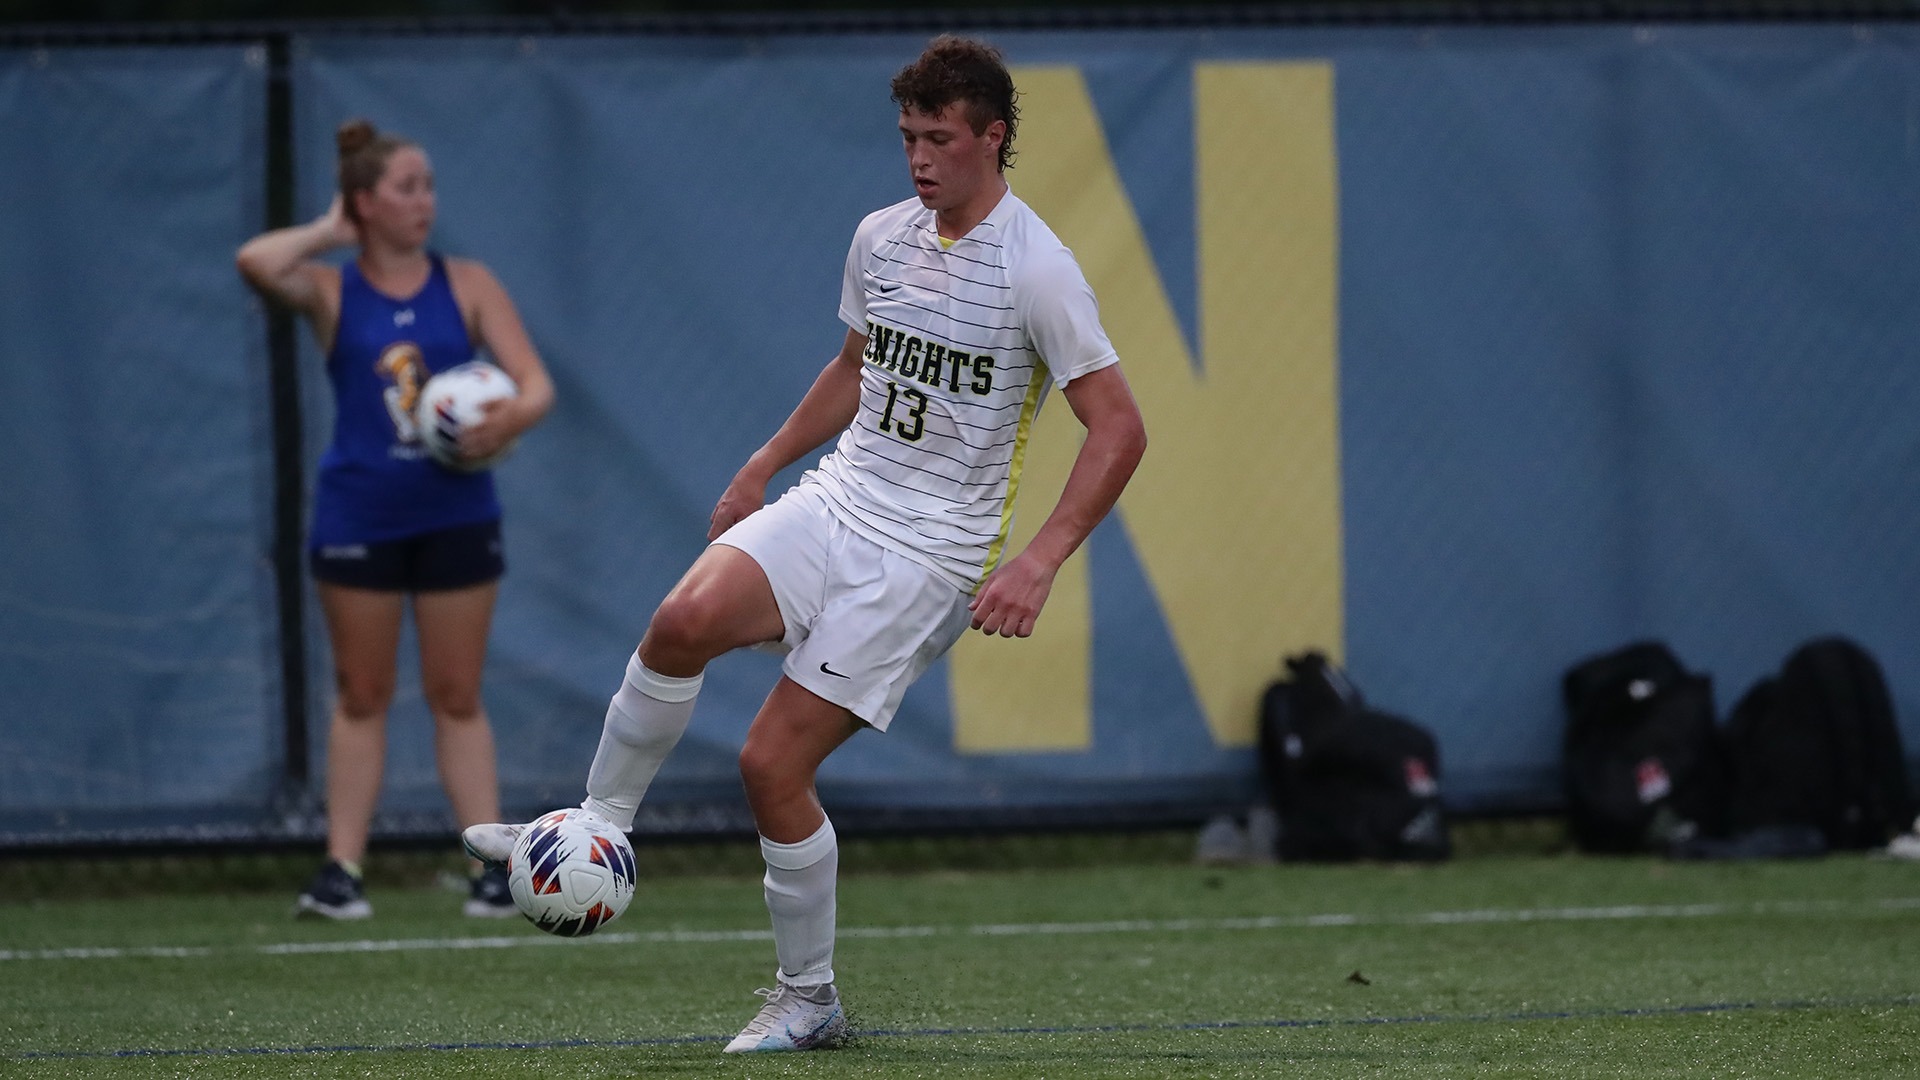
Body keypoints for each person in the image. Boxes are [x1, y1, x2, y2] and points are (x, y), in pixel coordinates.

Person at [465, 34, 1146, 1051]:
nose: (919, 158)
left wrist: (1040, 560)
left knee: (771, 766)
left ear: (993, 138)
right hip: (840, 499)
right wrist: (763, 463)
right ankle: (598, 822)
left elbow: (1120, 429)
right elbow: (854, 368)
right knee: (681, 621)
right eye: (908, 136)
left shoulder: (1039, 271)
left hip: (929, 556)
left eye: (940, 138)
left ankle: (809, 998)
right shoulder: (882, 237)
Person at [236, 120, 556, 921]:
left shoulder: (468, 282)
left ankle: (490, 870)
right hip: (359, 516)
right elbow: (256, 262)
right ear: (366, 203)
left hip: (456, 514)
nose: (424, 202)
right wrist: (328, 228)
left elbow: (535, 385)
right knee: (362, 692)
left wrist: (506, 421)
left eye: (428, 186)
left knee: (457, 693)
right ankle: (341, 872)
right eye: (407, 188)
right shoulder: (331, 289)